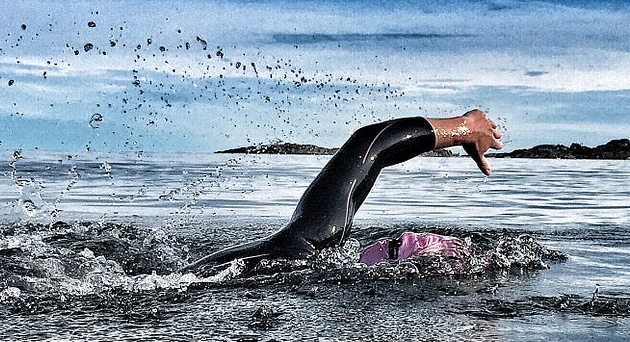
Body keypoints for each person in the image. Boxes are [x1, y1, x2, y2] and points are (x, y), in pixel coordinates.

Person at [183, 109, 503, 273]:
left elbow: (369, 144)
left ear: (396, 272)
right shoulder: (310, 281)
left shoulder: (310, 245)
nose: (379, 241)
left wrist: (464, 127)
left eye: (393, 248)